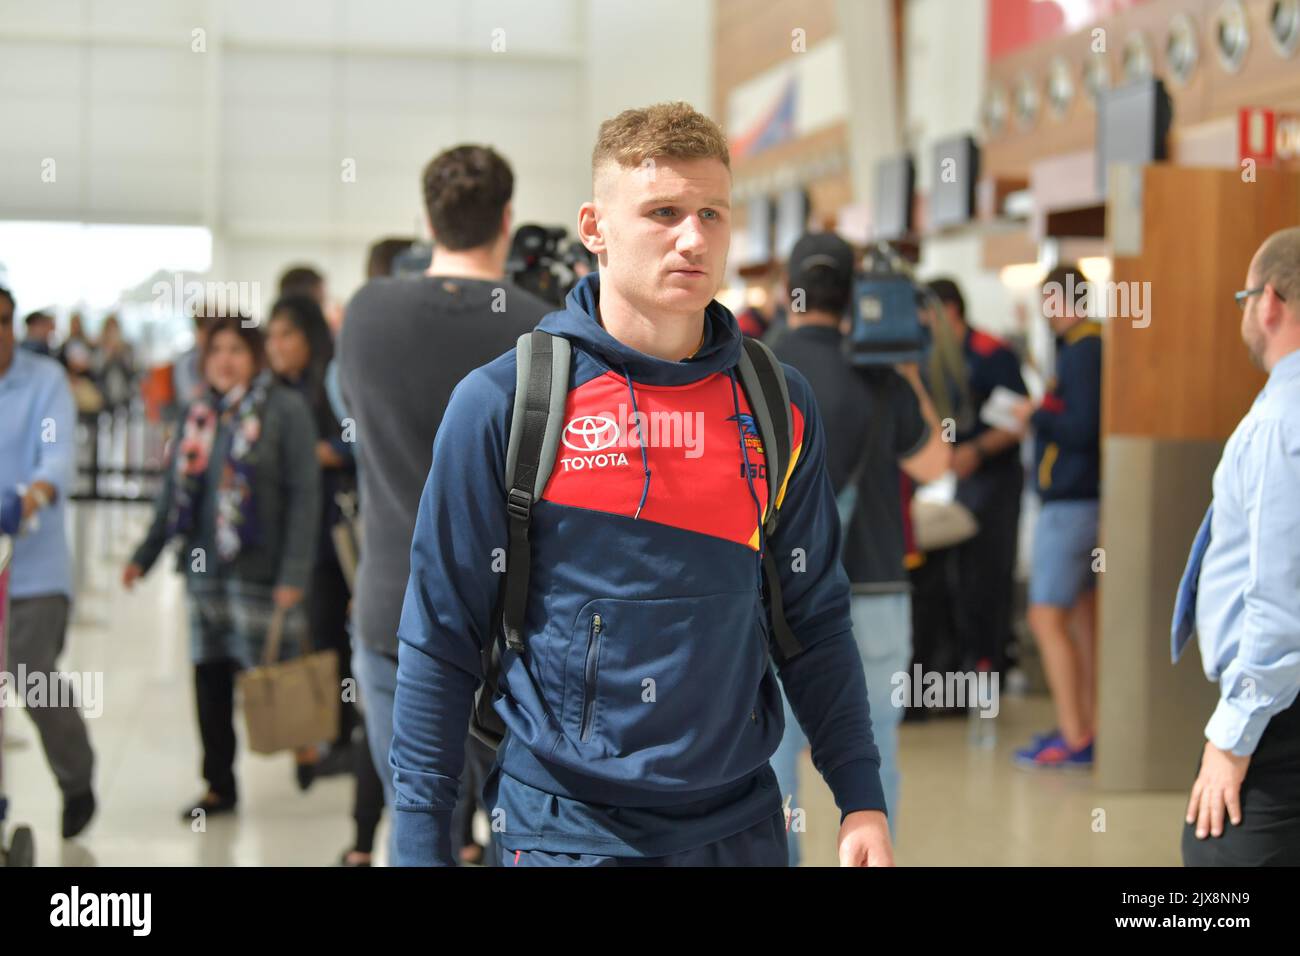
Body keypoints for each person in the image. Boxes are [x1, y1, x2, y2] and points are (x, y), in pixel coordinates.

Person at [390, 101, 893, 868]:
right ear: (594, 227)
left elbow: (815, 614)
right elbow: (440, 639)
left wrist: (859, 795)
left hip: (742, 828)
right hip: (564, 833)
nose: (693, 238)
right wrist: (421, 846)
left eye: (712, 214)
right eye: (663, 212)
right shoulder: (505, 404)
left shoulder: (776, 401)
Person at [338, 144, 552, 864]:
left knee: (417, 819)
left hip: (393, 609)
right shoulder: (543, 330)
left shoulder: (365, 315)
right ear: (507, 220)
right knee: (522, 821)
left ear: (429, 220)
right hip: (513, 622)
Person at [769, 232, 950, 861]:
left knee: (774, 761)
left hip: (777, 602)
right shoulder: (879, 376)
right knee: (875, 758)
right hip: (872, 593)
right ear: (855, 295)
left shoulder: (757, 367)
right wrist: (906, 370)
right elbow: (934, 462)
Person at [123, 313, 320, 819]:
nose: (224, 361)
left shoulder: (286, 410)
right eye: (216, 352)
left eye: (235, 351)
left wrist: (294, 575)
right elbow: (171, 497)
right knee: (209, 681)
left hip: (263, 576)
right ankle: (219, 787)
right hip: (205, 576)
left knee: (276, 675)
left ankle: (305, 748)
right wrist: (142, 558)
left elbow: (304, 496)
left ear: (254, 358)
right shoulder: (197, 415)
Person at [1173, 227, 1300, 866]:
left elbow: (1281, 599)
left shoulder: (1282, 422)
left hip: (1279, 713)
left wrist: (1231, 740)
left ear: (1270, 301)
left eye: (1244, 297)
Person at [0, 285, 97, 839]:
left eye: (5, 320)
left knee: (29, 671)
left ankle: (76, 775)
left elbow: (57, 451)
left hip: (32, 569)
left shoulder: (43, 381)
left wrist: (35, 492)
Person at [264, 295, 358, 787]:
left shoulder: (330, 382)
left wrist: (314, 452)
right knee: (304, 638)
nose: (277, 346)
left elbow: (355, 444)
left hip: (330, 534)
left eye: (288, 335)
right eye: (271, 336)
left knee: (329, 638)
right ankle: (313, 735)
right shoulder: (273, 392)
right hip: (289, 535)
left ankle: (339, 736)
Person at [1012, 264, 1102, 770]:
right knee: (1083, 615)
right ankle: (1086, 724)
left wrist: (1035, 416)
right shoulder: (1083, 348)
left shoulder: (1086, 350)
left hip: (1069, 503)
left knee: (1045, 616)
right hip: (1081, 500)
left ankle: (1074, 734)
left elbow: (1081, 426)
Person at [926, 278, 1028, 679]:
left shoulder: (990, 354)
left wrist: (978, 451)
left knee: (987, 577)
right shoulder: (934, 357)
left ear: (950, 311)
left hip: (993, 480)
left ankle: (988, 669)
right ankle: (955, 668)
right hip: (953, 481)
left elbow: (1017, 418)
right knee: (954, 579)